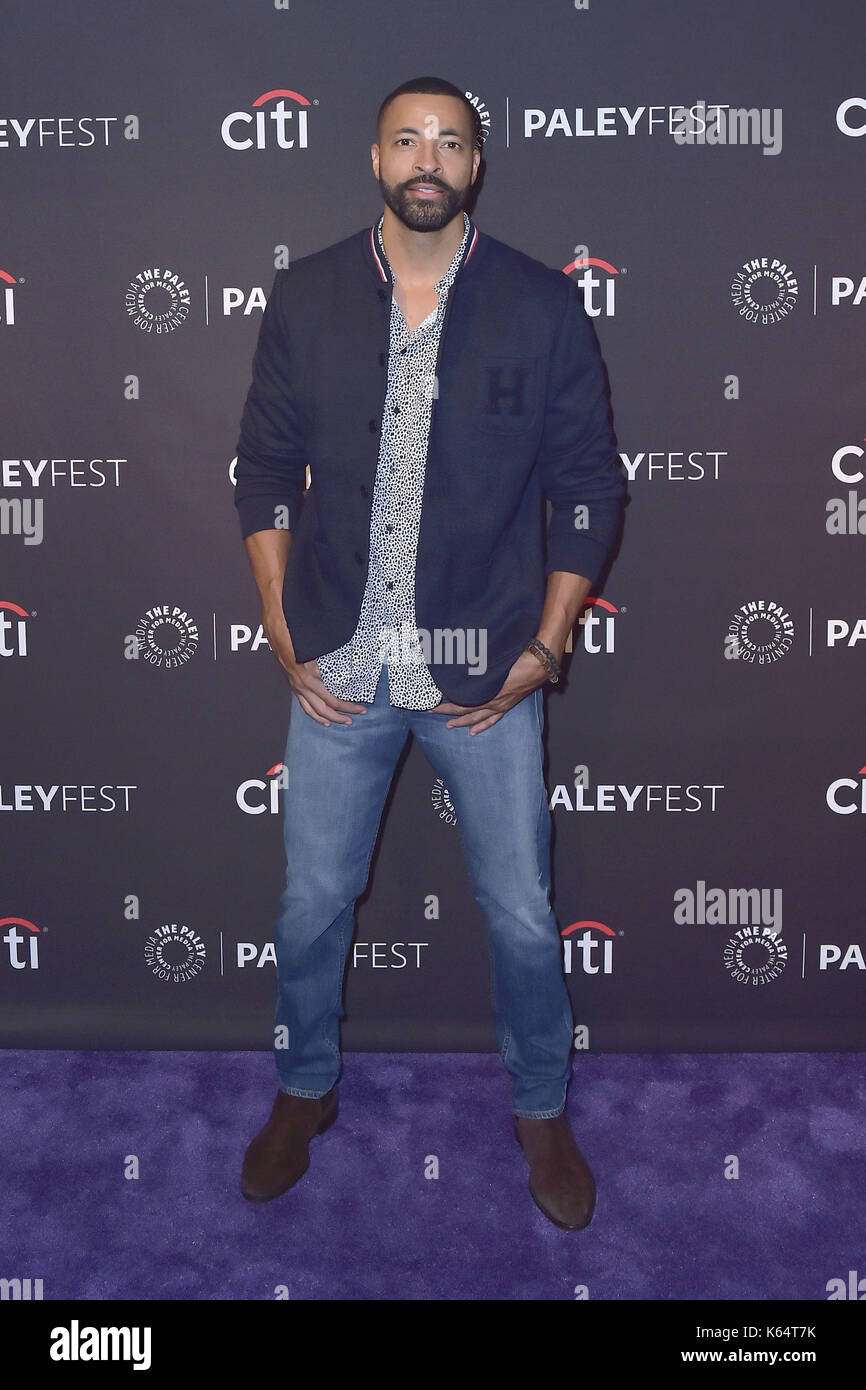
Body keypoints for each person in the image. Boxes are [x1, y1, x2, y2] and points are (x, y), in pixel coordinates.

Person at [233, 75, 625, 1231]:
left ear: (476, 165)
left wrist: (544, 647)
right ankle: (303, 1089)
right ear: (372, 159)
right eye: (407, 138)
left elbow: (586, 488)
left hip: (484, 676)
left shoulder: (541, 305)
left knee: (515, 909)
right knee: (310, 903)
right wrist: (280, 630)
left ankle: (541, 1108)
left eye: (449, 142)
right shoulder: (305, 296)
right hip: (340, 670)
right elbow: (261, 474)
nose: (426, 157)